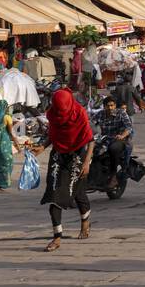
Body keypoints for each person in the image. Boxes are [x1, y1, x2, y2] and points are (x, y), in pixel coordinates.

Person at [39, 88, 95, 252]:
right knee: (54, 196)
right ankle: (57, 237)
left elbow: (90, 140)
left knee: (78, 193)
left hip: (77, 155)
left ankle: (85, 221)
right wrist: (42, 146)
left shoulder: (80, 113)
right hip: (58, 155)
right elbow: (52, 134)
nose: (61, 114)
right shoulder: (53, 114)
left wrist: (87, 163)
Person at [98, 95, 134, 191]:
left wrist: (122, 135)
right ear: (104, 106)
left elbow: (129, 127)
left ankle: (113, 177)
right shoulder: (100, 114)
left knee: (113, 149)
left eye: (112, 105)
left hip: (119, 139)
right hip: (104, 140)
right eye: (107, 106)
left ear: (115, 106)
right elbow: (90, 124)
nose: (110, 108)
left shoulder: (121, 113)